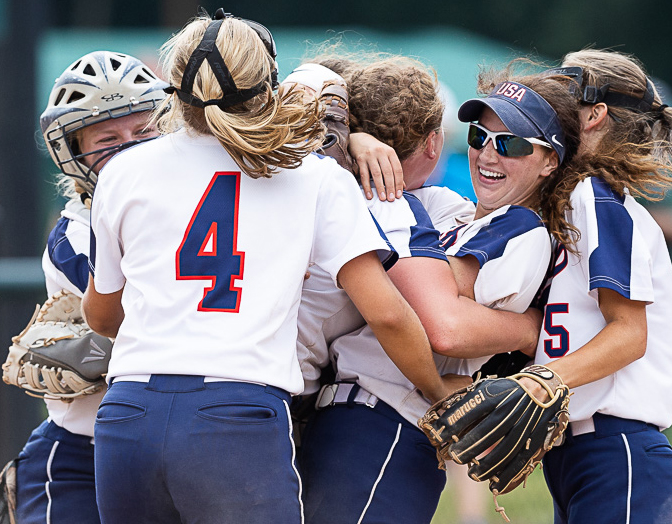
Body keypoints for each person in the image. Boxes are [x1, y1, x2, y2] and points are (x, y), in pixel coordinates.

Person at [81, 12, 459, 524]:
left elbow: (102, 316)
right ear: (267, 86)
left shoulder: (125, 168)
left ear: (174, 90)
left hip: (128, 415)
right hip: (235, 414)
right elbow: (388, 315)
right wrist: (439, 397)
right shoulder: (313, 174)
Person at [297, 56, 580, 524]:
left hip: (388, 420)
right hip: (342, 418)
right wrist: (353, 140)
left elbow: (444, 327)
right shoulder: (448, 206)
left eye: (509, 143)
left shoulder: (524, 229)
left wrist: (531, 329)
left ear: (550, 160)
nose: (489, 154)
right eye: (478, 137)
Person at [529, 49, 672, 523]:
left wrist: (539, 382)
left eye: (565, 90)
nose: (550, 100)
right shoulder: (574, 198)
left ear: (594, 115)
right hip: (583, 456)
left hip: (618, 454)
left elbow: (628, 334)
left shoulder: (597, 197)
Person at [11, 50, 168, 524]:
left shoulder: (204, 200)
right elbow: (150, 306)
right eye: (107, 138)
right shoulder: (78, 230)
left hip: (170, 448)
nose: (131, 146)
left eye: (144, 130)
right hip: (83, 454)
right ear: (74, 154)